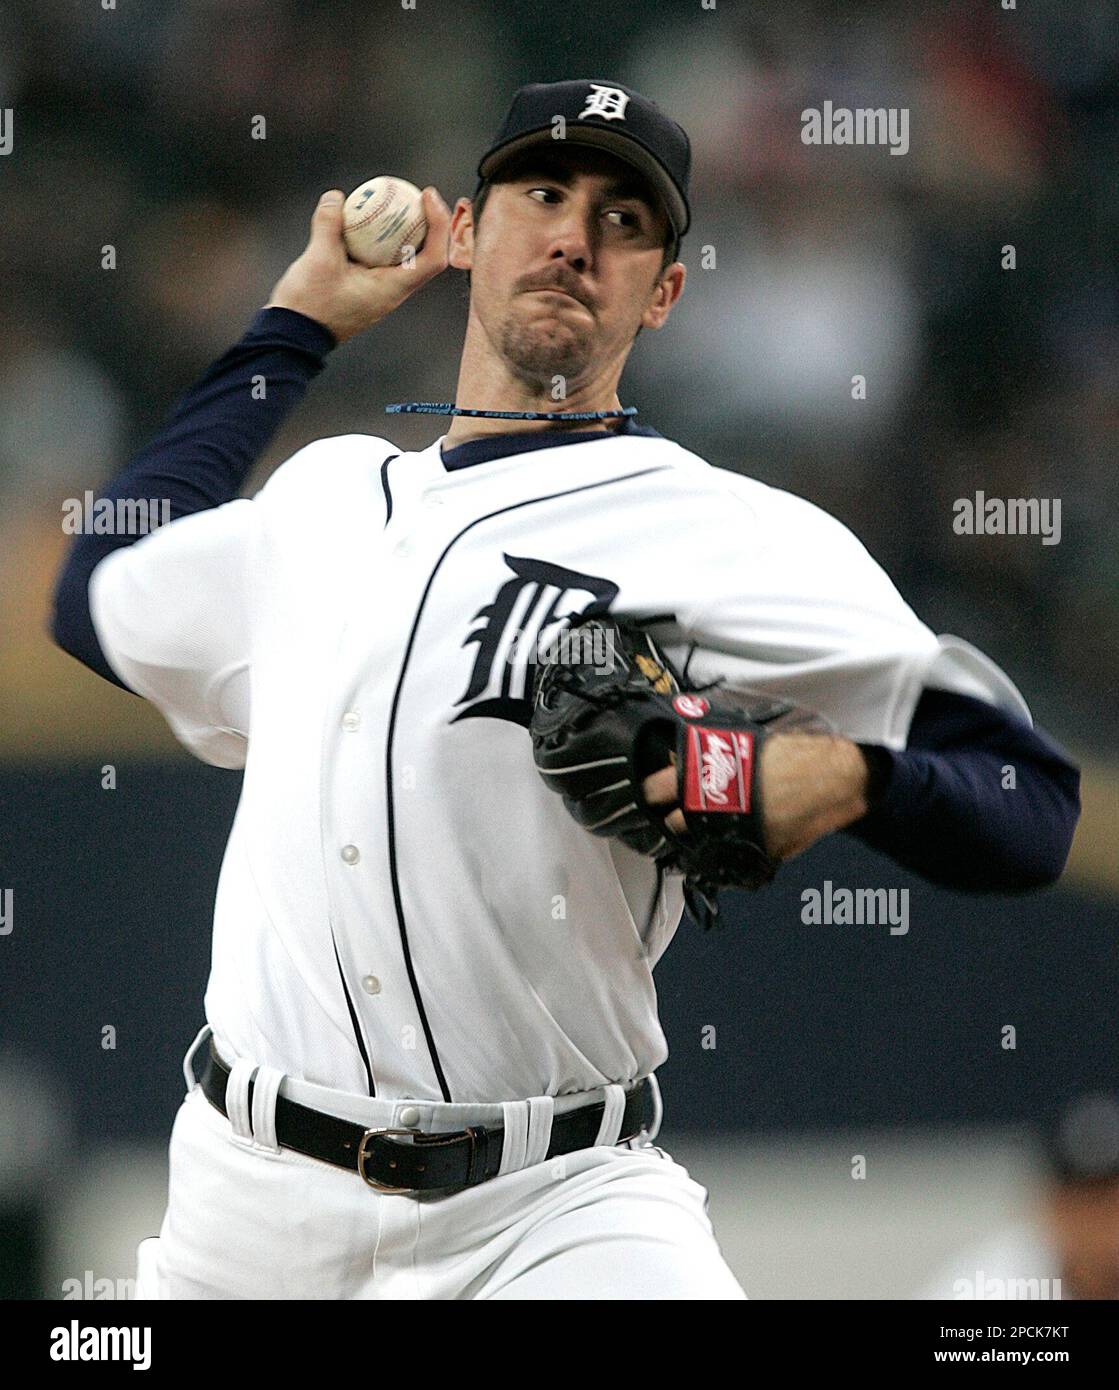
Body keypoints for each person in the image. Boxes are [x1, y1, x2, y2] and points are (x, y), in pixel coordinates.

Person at [50, 79, 1080, 1300]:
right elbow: (99, 588)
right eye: (542, 193)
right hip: (244, 1205)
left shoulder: (728, 534)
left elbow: (1030, 805)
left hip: (553, 1211)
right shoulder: (324, 501)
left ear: (665, 290)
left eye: (625, 219)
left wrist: (852, 774)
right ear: (470, 234)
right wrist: (296, 321)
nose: (575, 237)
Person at [918, 1094, 1119, 1301]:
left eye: (1113, 1201)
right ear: (1052, 1203)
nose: (1101, 1219)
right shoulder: (992, 1284)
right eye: (1087, 1202)